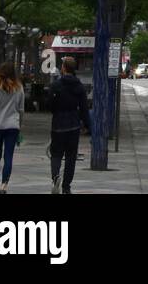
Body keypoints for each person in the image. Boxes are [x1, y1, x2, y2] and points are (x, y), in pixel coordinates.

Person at [47, 56, 90, 195]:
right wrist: (87, 126)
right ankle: (66, 186)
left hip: (58, 124)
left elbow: (50, 105)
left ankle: (55, 177)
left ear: (64, 68)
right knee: (71, 157)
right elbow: (84, 108)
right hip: (73, 124)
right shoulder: (79, 86)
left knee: (56, 154)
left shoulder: (56, 85)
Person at [0, 61, 25, 194]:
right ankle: (4, 185)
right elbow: (21, 109)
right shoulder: (19, 88)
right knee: (8, 156)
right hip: (12, 126)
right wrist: (19, 125)